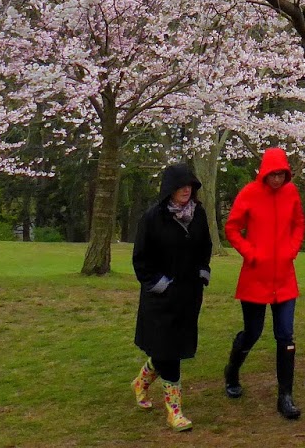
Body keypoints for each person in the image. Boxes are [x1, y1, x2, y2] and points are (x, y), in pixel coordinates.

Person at [223, 146, 305, 420]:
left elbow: (298, 224)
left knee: (285, 335)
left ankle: (285, 396)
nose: (278, 180)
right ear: (265, 173)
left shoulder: (291, 194)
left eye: (282, 174)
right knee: (253, 331)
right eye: (273, 174)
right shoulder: (249, 193)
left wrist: (291, 250)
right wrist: (251, 253)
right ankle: (232, 371)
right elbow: (232, 228)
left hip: (284, 277)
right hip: (255, 276)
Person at [130, 162, 213, 432]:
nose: (186, 190)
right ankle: (174, 411)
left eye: (190, 185)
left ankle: (141, 382)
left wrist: (203, 273)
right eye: (181, 186)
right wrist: (160, 284)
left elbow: (205, 247)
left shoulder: (198, 215)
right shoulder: (153, 218)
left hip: (189, 297)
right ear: (169, 190)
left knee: (169, 349)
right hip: (161, 300)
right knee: (170, 353)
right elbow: (141, 260)